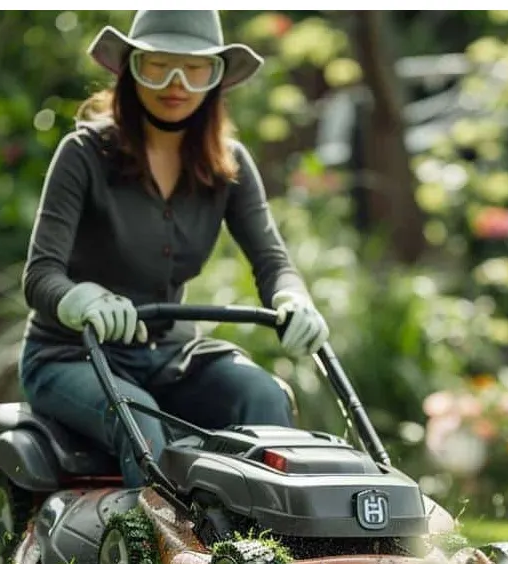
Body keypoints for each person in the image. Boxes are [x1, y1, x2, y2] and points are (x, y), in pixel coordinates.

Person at [19, 10, 330, 488]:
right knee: (140, 422)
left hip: (169, 355)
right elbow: (41, 275)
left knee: (262, 395)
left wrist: (294, 299)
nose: (176, 83)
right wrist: (85, 300)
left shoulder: (231, 165)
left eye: (195, 67)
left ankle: (267, 557)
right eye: (157, 65)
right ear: (130, 70)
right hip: (70, 355)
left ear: (217, 78)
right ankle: (158, 558)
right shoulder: (81, 154)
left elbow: (273, 263)